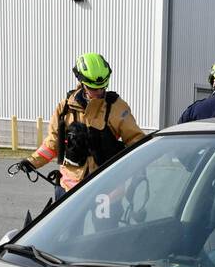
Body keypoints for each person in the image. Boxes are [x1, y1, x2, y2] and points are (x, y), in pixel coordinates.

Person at [18, 52, 145, 198]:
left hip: (107, 189)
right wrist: (32, 162)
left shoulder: (116, 107)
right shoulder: (65, 108)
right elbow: (52, 143)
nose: (100, 92)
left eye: (103, 87)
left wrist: (127, 176)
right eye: (94, 88)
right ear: (82, 83)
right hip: (69, 189)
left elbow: (137, 142)